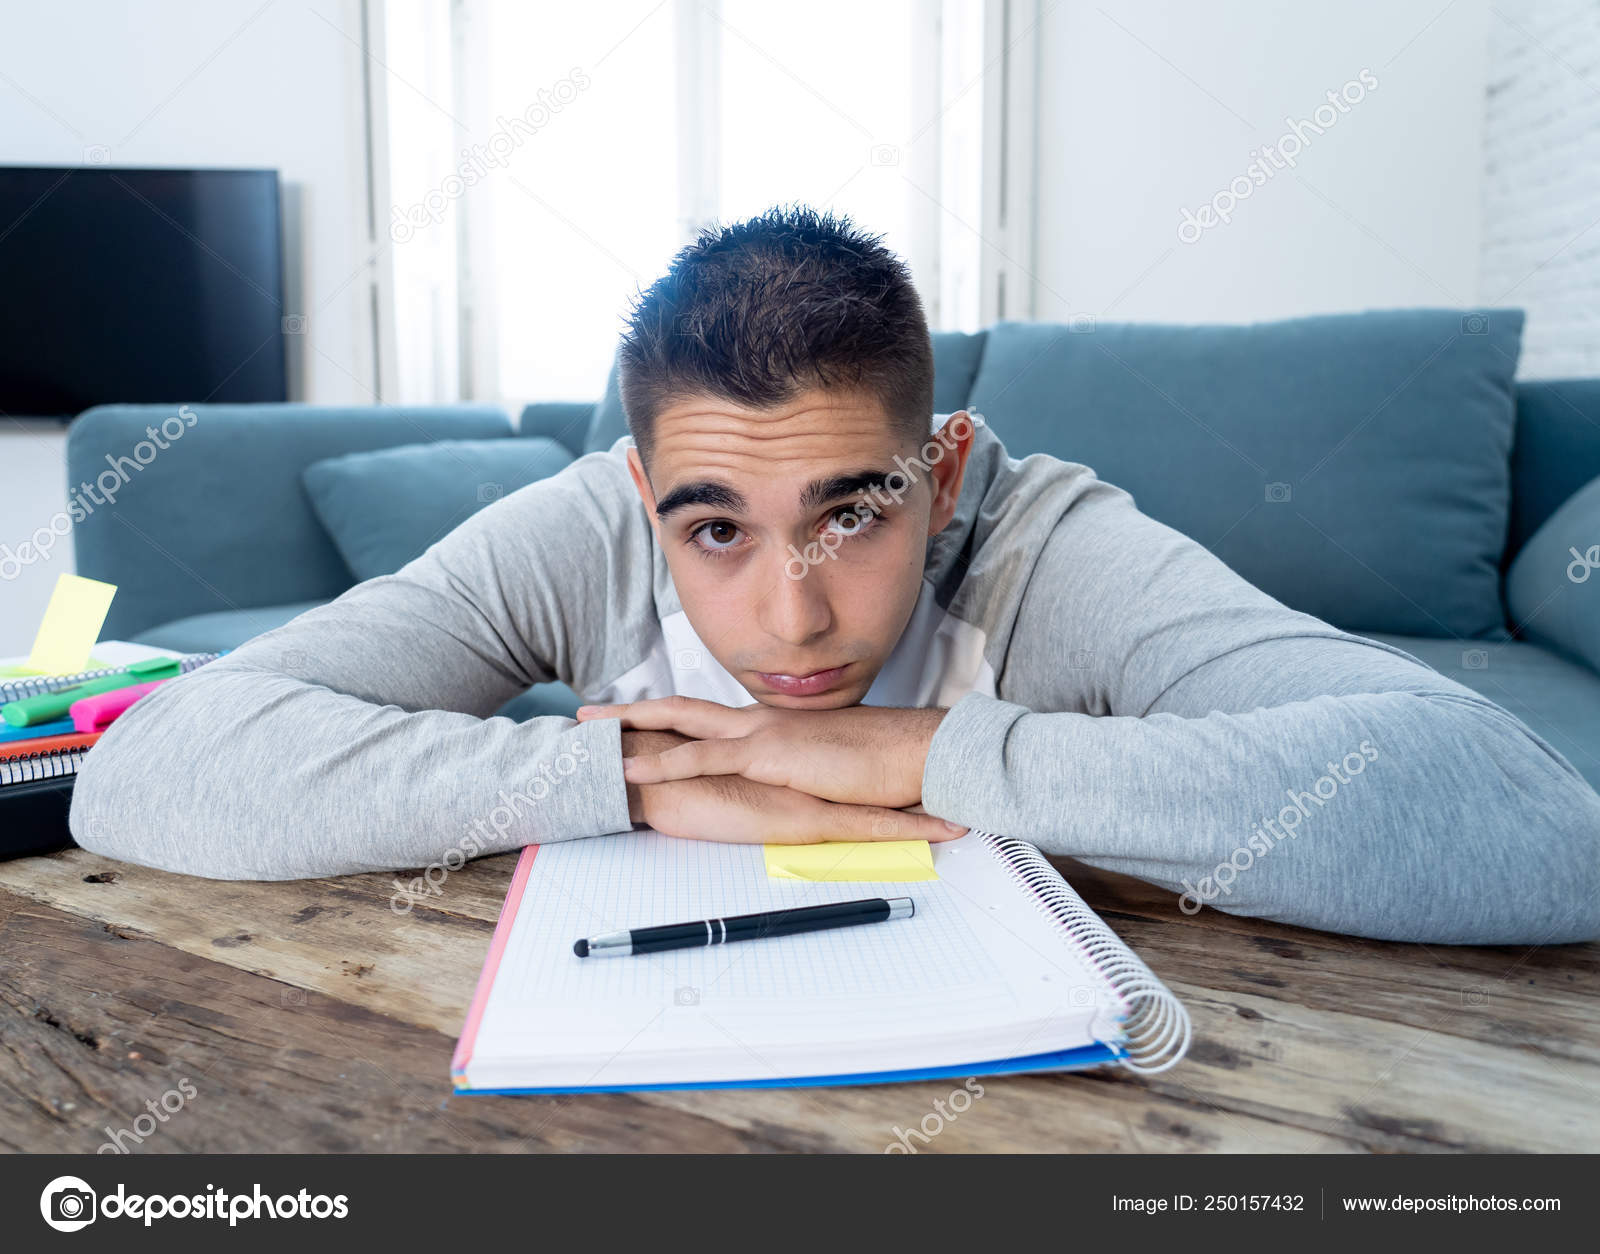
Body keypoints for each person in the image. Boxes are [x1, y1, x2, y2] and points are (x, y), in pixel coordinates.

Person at [69, 205, 1600, 944]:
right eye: (715, 527)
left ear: (937, 476)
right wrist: (632, 778)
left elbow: (1535, 827)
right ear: (640, 496)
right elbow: (149, 766)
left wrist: (913, 748)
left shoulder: (1050, 543)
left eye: (854, 514)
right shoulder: (586, 520)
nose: (791, 615)